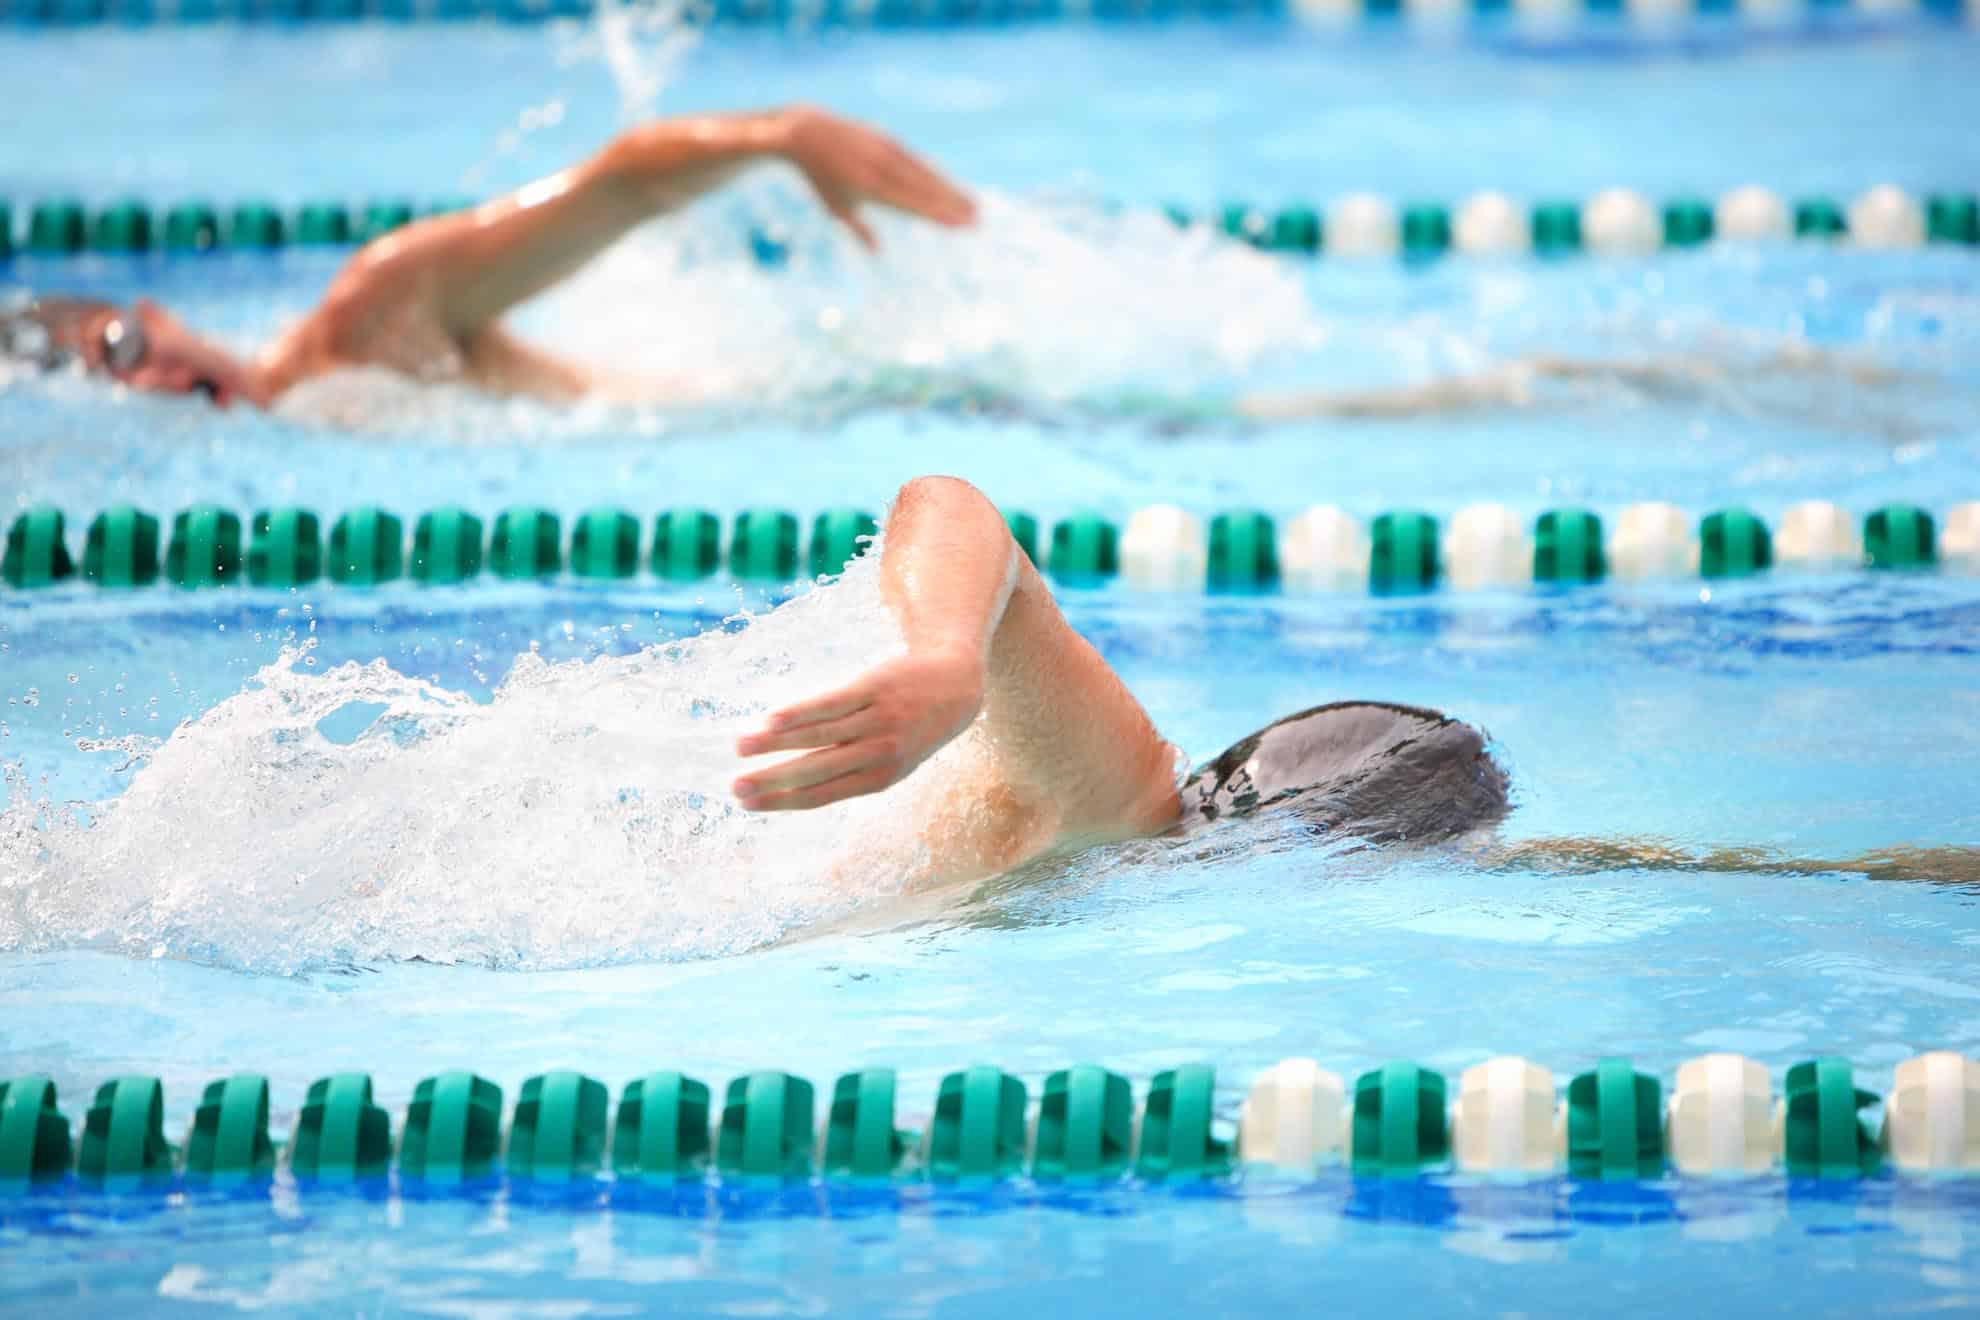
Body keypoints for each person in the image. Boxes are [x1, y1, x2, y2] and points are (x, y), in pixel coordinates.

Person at [732, 474, 1980, 890]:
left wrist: (950, 663)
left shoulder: (1107, 813)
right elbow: (949, 512)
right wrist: (943, 661)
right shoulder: (1119, 815)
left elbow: (961, 510)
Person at [0, 105, 976, 408]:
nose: (155, 381)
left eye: (124, 343)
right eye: (113, 381)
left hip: (820, 400)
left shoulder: (370, 313)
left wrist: (781, 133)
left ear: (156, 313)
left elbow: (622, 181)